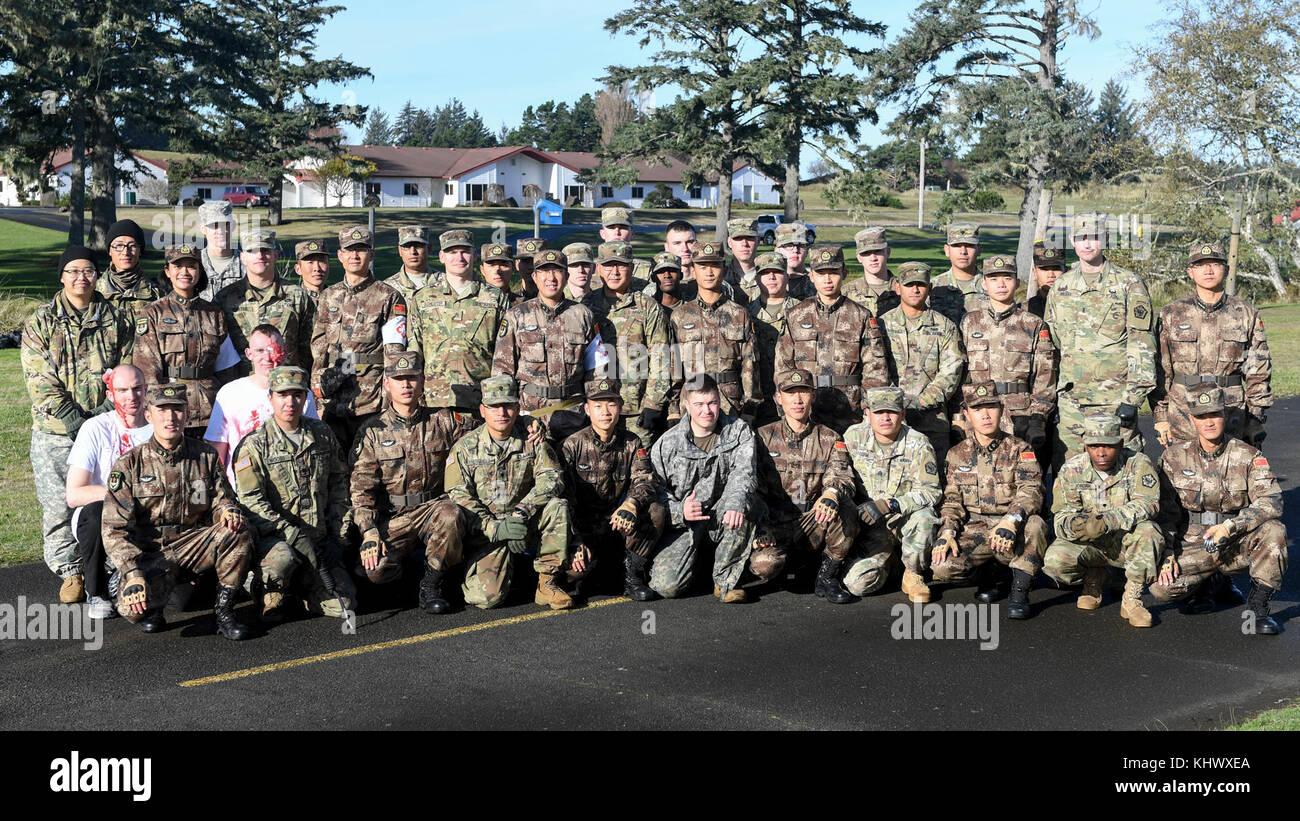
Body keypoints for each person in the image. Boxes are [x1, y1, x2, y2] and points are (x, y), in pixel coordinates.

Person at [23, 245, 135, 602]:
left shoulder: (116, 317)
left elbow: (127, 366)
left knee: (109, 498)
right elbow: (38, 377)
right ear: (61, 276)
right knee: (59, 503)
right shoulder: (41, 321)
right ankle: (71, 572)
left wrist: (103, 412)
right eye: (72, 271)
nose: (80, 277)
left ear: (97, 274)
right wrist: (75, 420)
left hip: (105, 426)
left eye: (87, 270)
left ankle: (109, 566)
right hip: (56, 432)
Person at [101, 382, 253, 639]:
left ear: (187, 413)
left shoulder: (205, 456)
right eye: (162, 410)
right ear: (148, 415)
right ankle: (151, 605)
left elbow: (221, 499)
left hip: (194, 544)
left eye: (177, 410)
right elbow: (114, 530)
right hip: (151, 553)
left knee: (236, 531)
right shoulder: (130, 464)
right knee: (133, 610)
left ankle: (224, 612)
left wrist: (227, 510)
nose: (170, 418)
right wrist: (132, 572)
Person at [1150, 385, 1285, 634]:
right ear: (1191, 419)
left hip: (1233, 541)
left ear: (1224, 414)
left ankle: (1256, 610)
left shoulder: (1248, 456)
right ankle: (1207, 582)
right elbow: (1166, 514)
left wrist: (1231, 526)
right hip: (1191, 542)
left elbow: (1271, 501)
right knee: (1161, 589)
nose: (1209, 422)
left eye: (1214, 414)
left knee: (1274, 531)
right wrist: (1167, 553)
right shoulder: (1174, 458)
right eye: (1201, 416)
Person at [350, 352, 476, 614]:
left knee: (451, 514)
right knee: (375, 570)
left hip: (433, 509)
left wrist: (530, 425)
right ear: (387, 383)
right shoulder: (372, 430)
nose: (406, 385)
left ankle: (431, 586)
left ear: (422, 382)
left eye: (412, 378)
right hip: (393, 517)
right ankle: (408, 573)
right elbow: (361, 489)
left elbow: (490, 430)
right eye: (399, 379)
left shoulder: (443, 421)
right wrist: (369, 532)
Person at [442, 375, 576, 610]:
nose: (501, 412)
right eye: (494, 406)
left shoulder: (532, 439)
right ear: (483, 410)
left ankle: (547, 582)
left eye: (508, 405)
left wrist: (522, 512)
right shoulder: (465, 448)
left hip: (525, 522)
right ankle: (481, 569)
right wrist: (495, 528)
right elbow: (459, 496)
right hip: (487, 532)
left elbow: (552, 478)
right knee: (487, 599)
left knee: (558, 506)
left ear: (517, 408)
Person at [233, 366, 355, 623]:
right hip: (277, 541)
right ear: (271, 398)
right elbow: (251, 502)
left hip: (320, 541)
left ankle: (305, 591)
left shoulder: (322, 434)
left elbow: (339, 485)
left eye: (297, 395)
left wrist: (338, 535)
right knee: (282, 561)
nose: (290, 402)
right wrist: (292, 534)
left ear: (305, 397)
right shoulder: (254, 445)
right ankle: (264, 586)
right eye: (283, 394)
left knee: (344, 604)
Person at [1045, 212, 1156, 465]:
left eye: (1093, 237)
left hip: (1114, 400)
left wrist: (1133, 398)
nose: (1087, 244)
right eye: (1081, 238)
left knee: (1123, 468)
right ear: (1072, 242)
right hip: (1072, 402)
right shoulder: (1061, 287)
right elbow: (1053, 344)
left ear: (1105, 239)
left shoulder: (1129, 284)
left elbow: (1142, 344)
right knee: (1071, 470)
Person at [931, 383, 1047, 619]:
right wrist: (947, 532)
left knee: (1036, 525)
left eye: (991, 407)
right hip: (975, 528)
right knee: (941, 567)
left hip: (1011, 526)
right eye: (977, 409)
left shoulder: (1020, 449)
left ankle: (1019, 591)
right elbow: (952, 501)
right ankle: (990, 572)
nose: (985, 415)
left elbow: (1031, 490)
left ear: (1001, 409)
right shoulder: (956, 453)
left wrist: (1011, 520)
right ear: (967, 415)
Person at [1042, 414, 1163, 628]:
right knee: (1054, 561)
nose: (1101, 453)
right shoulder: (1072, 469)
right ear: (1085, 446)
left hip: (1124, 542)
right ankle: (1094, 576)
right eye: (1094, 446)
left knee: (1149, 531)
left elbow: (1148, 503)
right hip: (1091, 543)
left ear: (1120, 443)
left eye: (1108, 446)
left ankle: (1132, 598)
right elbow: (1060, 515)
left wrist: (1109, 520)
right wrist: (1075, 525)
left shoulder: (1138, 464)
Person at [750, 368, 858, 604]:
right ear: (778, 398)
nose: (798, 400)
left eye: (804, 392)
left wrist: (831, 493)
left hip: (813, 521)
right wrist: (760, 527)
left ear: (813, 396)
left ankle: (827, 577)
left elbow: (842, 475)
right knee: (765, 565)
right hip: (775, 525)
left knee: (845, 506)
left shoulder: (830, 437)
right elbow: (751, 487)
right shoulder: (761, 437)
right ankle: (791, 567)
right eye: (790, 393)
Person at [1151, 241, 1271, 448]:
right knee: (1181, 476)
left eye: (1215, 263)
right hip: (1183, 411)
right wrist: (1161, 417)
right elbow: (1161, 369)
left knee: (1234, 475)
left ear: (1226, 269)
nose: (1208, 270)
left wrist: (1255, 419)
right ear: (1190, 272)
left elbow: (1258, 372)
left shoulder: (1245, 313)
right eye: (1200, 265)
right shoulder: (1172, 314)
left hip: (1231, 411)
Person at [648, 375, 757, 603]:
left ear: (719, 402)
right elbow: (656, 491)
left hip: (723, 514)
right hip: (687, 521)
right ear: (687, 405)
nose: (706, 411)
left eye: (712, 403)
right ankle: (699, 563)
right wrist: (680, 512)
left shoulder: (738, 432)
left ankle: (724, 581)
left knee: (745, 504)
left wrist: (735, 503)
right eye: (699, 404)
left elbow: (744, 473)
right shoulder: (667, 443)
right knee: (667, 586)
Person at [561, 378, 666, 600]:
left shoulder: (632, 442)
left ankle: (633, 577)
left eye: (611, 404)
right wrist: (574, 539)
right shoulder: (573, 445)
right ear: (587, 410)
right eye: (598, 406)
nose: (605, 411)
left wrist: (632, 503)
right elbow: (563, 498)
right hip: (583, 526)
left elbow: (645, 480)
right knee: (575, 575)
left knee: (656, 511)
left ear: (619, 407)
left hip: (617, 520)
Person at [65, 365, 154, 618]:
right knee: (94, 512)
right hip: (102, 516)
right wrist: (122, 493)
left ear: (146, 390)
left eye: (137, 389)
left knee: (183, 602)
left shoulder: (158, 425)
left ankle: (125, 575)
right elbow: (75, 494)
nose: (131, 396)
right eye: (123, 390)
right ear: (111, 394)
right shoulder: (95, 428)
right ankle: (97, 591)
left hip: (150, 514)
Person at [309, 225, 407, 453]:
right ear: (340, 255)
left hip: (371, 400)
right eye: (349, 250)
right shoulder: (328, 296)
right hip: (333, 399)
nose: (355, 256)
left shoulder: (389, 296)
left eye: (361, 250)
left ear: (371, 254)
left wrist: (389, 399)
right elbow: (319, 349)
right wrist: (318, 395)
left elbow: (395, 353)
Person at [840, 386, 943, 603]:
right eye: (878, 412)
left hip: (903, 519)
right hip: (871, 526)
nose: (885, 418)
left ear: (903, 414)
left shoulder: (918, 443)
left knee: (925, 518)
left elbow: (931, 492)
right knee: (857, 585)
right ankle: (891, 562)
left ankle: (914, 572)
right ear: (867, 414)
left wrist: (891, 504)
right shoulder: (853, 437)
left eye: (893, 412)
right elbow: (841, 477)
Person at [775, 244, 891, 434]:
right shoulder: (796, 316)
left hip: (850, 411)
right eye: (821, 273)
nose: (827, 279)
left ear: (844, 273)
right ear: (811, 277)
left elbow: (875, 371)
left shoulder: (860, 315)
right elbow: (783, 366)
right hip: (805, 410)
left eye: (833, 272)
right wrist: (785, 408)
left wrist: (869, 410)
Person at [492, 248, 603, 442]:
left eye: (557, 271)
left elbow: (598, 369)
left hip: (574, 416)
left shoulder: (583, 315)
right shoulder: (517, 316)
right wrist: (515, 417)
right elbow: (502, 372)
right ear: (534, 276)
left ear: (566, 276)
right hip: (530, 418)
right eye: (544, 271)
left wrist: (596, 411)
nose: (551, 277)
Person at [132, 243, 242, 437]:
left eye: (191, 266)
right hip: (171, 411)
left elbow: (227, 369)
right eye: (177, 266)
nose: (185, 272)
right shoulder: (153, 314)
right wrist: (159, 411)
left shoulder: (214, 314)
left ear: (200, 271)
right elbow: (147, 370)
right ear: (167, 271)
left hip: (212, 409)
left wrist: (232, 406)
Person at [959, 254, 1056, 464]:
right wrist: (960, 415)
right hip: (979, 413)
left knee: (1020, 477)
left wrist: (1037, 418)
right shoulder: (970, 323)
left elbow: (1044, 378)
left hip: (1019, 416)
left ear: (1017, 282)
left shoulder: (1033, 325)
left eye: (1007, 278)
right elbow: (960, 373)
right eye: (994, 278)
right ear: (984, 284)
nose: (1001, 284)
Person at [407, 229, 510, 411]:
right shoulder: (423, 298)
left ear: (475, 255)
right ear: (441, 256)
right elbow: (415, 349)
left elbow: (504, 356)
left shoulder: (494, 298)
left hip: (481, 400)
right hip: (434, 401)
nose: (459, 257)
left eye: (465, 251)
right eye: (452, 252)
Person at [877, 261, 965, 470]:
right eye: (909, 284)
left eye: (921, 284)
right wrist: (895, 404)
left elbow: (951, 373)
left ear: (930, 288)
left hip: (933, 420)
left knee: (935, 478)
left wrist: (919, 403)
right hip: (890, 420)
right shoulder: (881, 325)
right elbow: (876, 368)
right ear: (897, 287)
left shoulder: (945, 327)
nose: (915, 289)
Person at [583, 241, 672, 444]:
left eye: (621, 265)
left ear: (631, 268)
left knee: (640, 468)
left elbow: (661, 358)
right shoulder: (586, 306)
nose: (614, 272)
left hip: (636, 409)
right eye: (608, 265)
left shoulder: (648, 307)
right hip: (598, 409)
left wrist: (654, 404)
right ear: (598, 269)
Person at [205, 324, 318, 483]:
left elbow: (316, 444)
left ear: (284, 352)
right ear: (248, 354)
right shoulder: (229, 394)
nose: (268, 357)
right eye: (260, 351)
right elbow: (216, 453)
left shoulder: (301, 394)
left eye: (274, 349)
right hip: (243, 493)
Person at [668, 239, 761, 427]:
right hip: (693, 402)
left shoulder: (739, 314)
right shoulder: (681, 316)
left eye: (715, 266)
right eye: (702, 266)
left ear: (725, 271)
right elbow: (673, 367)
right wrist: (673, 411)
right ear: (693, 271)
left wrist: (751, 407)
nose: (709, 272)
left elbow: (750, 364)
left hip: (731, 403)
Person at [214, 228, 315, 374]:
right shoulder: (225, 298)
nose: (260, 256)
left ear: (276, 255)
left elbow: (309, 349)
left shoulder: (296, 296)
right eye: (252, 251)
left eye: (265, 250)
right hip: (242, 385)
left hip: (286, 387)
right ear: (242, 257)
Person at [747, 252, 803, 427]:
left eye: (777, 272)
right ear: (756, 278)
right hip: (757, 396)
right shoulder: (745, 314)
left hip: (794, 397)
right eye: (765, 272)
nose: (771, 277)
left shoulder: (803, 311)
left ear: (786, 276)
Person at [96, 219, 161, 325]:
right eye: (118, 246)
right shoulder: (93, 292)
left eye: (132, 246)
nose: (125, 252)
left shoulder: (157, 295)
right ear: (109, 250)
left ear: (140, 250)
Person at [929, 222, 985, 327]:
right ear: (947, 250)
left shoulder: (992, 287)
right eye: (956, 245)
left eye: (969, 245)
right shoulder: (934, 287)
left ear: (979, 249)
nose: (963, 251)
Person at [842, 227, 899, 317]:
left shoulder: (905, 289)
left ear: (888, 252)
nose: (873, 258)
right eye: (866, 253)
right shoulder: (846, 294)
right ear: (859, 257)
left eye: (877, 251)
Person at [197, 200, 245, 301]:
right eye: (214, 225)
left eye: (225, 224)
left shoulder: (247, 265)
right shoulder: (194, 264)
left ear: (233, 226)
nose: (220, 231)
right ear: (203, 229)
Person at [383, 225, 433, 307]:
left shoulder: (445, 282)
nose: (413, 252)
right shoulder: (387, 288)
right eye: (407, 247)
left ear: (429, 248)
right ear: (400, 250)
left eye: (418, 246)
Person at [598, 206, 650, 281]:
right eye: (611, 227)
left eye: (623, 227)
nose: (617, 232)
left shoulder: (646, 270)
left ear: (632, 233)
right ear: (602, 233)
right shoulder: (590, 269)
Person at [773, 222, 816, 300]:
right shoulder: (769, 283)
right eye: (788, 245)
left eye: (800, 245)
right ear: (777, 250)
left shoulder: (817, 283)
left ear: (807, 251)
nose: (795, 250)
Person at [1025, 241, 1064, 319]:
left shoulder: (1076, 306)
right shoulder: (1025, 310)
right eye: (1044, 269)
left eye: (1056, 268)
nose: (1051, 275)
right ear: (1034, 272)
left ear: (1065, 270)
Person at [724, 217, 759, 292]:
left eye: (749, 237)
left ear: (758, 241)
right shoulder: (721, 276)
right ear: (729, 242)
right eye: (738, 238)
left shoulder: (769, 276)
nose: (744, 244)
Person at [293, 239, 330, 307]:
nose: (317, 268)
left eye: (322, 261)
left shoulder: (339, 298)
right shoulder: (292, 301)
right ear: (298, 269)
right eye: (310, 262)